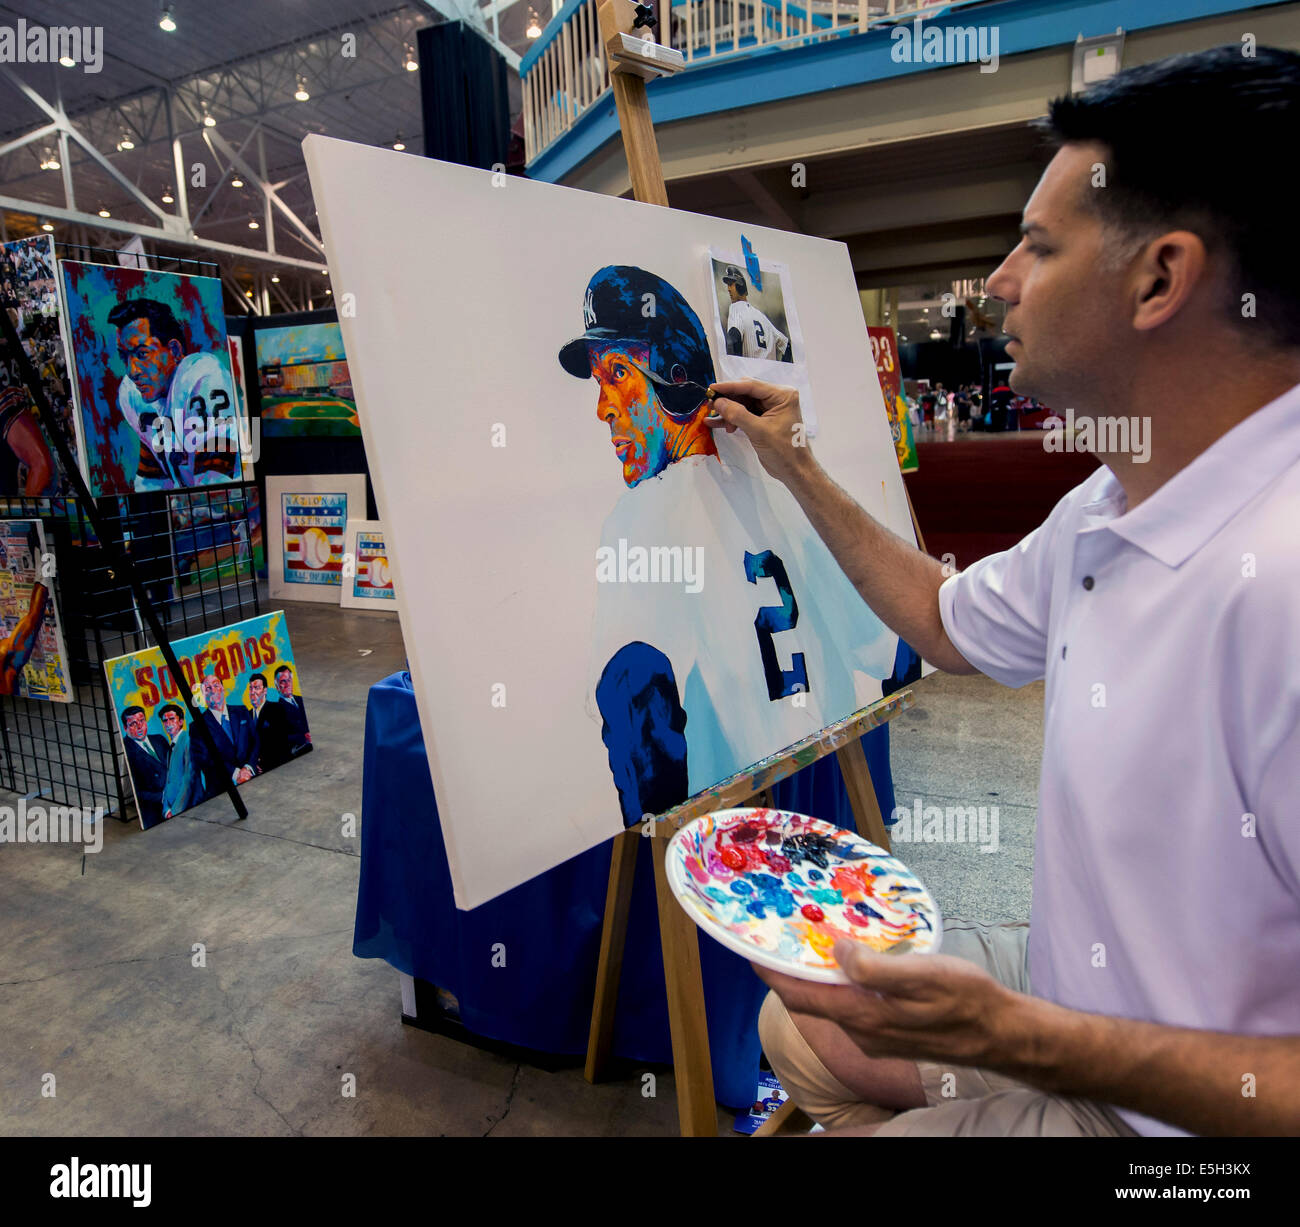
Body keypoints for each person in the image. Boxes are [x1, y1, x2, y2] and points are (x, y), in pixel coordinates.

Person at [704, 45, 1300, 1137]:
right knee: (796, 1029)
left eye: (1037, 245)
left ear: (1161, 277)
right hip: (1084, 996)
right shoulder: (1110, 501)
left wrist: (1023, 1042)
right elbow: (944, 619)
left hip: (1179, 1129)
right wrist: (794, 463)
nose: (996, 283)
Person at [558, 265, 894, 820]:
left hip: (733, 832)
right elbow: (892, 647)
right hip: (823, 789)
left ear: (674, 374)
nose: (604, 406)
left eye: (618, 372)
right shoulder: (785, 485)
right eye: (600, 382)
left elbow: (636, 707)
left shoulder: (639, 518)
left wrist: (666, 851)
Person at [106, 296, 239, 491]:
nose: (132, 371)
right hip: (188, 512)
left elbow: (216, 485)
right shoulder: (131, 394)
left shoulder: (202, 376)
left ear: (175, 350)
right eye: (124, 356)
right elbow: (152, 482)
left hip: (231, 511)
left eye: (142, 354)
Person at [192, 673, 259, 797]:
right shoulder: (197, 726)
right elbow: (206, 760)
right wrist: (236, 774)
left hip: (252, 777)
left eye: (216, 685)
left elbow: (255, 741)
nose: (213, 690)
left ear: (223, 689)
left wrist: (248, 768)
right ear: (203, 695)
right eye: (207, 688)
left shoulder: (241, 711)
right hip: (221, 790)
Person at [721, 265, 792, 362]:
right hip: (770, 375)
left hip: (750, 374)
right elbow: (786, 345)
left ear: (740, 286)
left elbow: (734, 339)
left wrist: (736, 370)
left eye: (731, 284)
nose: (728, 289)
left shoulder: (736, 308)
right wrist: (782, 371)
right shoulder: (762, 317)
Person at [120, 704, 170, 828]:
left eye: (142, 720)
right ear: (125, 728)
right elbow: (136, 790)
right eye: (133, 724)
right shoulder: (127, 750)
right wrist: (162, 797)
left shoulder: (159, 740)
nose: (139, 726)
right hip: (154, 808)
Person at [158, 703, 201, 819]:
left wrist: (176, 810)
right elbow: (168, 780)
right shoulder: (170, 749)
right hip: (172, 810)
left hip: (187, 808)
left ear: (181, 721)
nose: (168, 724)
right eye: (165, 721)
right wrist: (166, 809)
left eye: (172, 719)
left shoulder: (188, 740)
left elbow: (189, 777)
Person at [249, 671, 290, 770]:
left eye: (257, 688)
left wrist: (263, 763)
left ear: (265, 690)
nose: (253, 692)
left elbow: (281, 741)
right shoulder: (246, 715)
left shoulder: (276, 709)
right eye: (251, 688)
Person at [272, 665, 311, 758]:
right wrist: (304, 737)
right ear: (277, 686)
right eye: (283, 681)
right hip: (296, 751)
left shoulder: (300, 700)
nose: (287, 684)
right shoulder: (275, 709)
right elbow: (280, 738)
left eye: (289, 680)